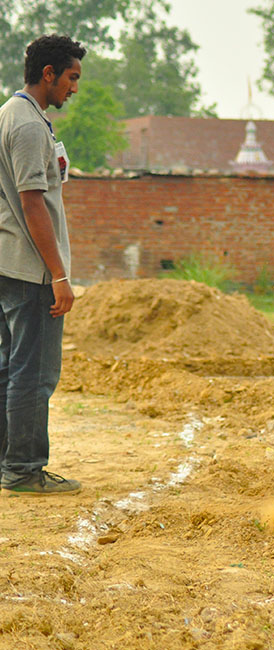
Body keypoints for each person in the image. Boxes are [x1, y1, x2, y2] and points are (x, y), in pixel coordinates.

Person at [0, 34, 85, 496]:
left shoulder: (10, 115)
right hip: (31, 270)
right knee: (33, 374)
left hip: (8, 263)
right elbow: (33, 203)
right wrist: (60, 275)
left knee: (9, 368)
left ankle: (8, 463)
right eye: (71, 77)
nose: (74, 88)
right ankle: (23, 470)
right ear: (48, 74)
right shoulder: (29, 126)